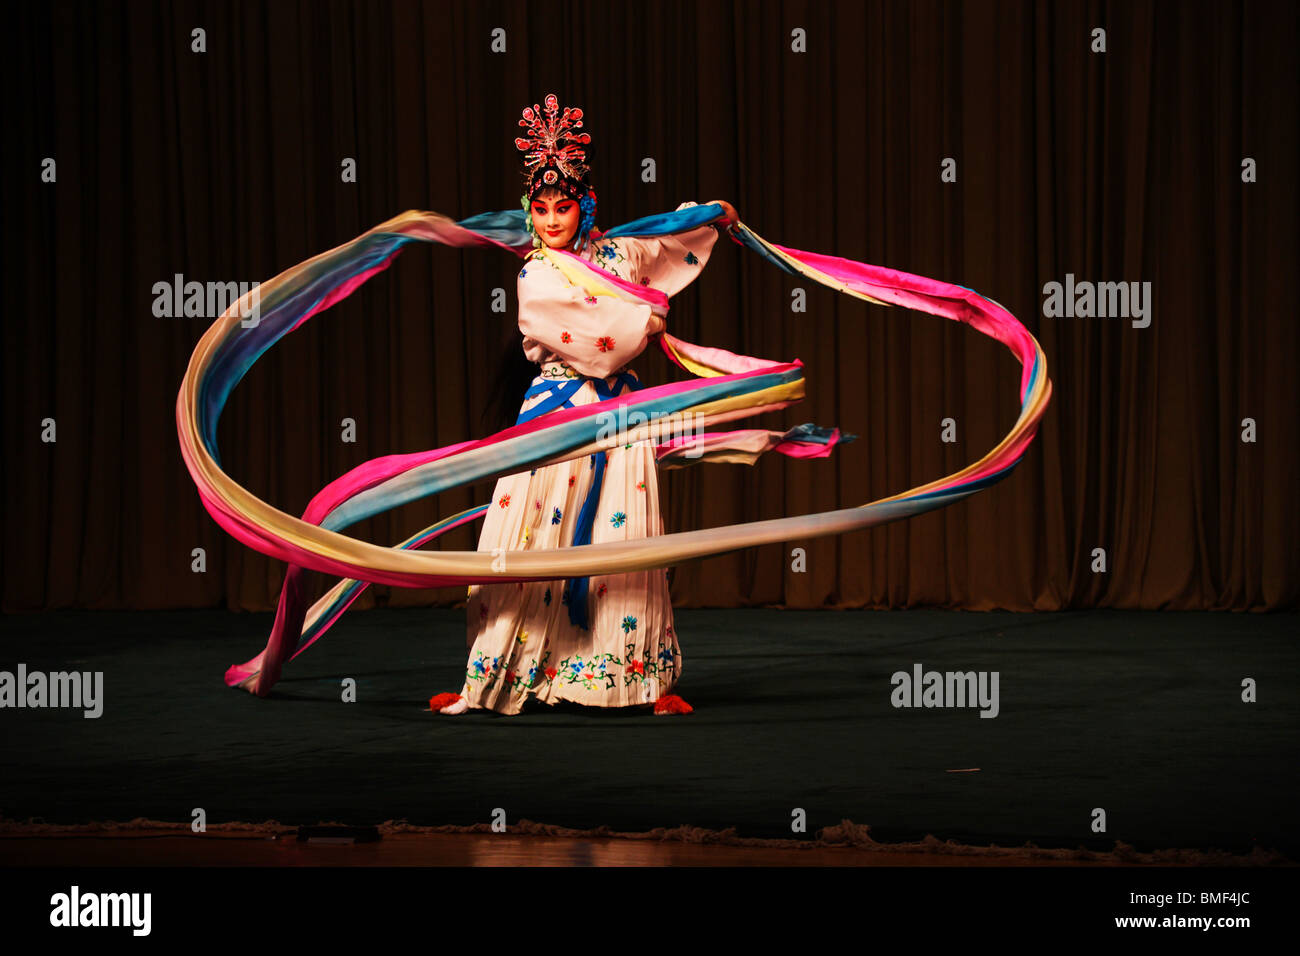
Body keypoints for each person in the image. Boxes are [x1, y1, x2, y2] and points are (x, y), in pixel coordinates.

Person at [430, 95, 737, 717]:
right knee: (533, 538)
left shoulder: (616, 254)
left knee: (620, 546)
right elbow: (601, 345)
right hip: (556, 416)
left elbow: (668, 242)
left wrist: (711, 215)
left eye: (562, 207)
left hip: (620, 421)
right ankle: (501, 677)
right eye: (539, 210)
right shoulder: (537, 276)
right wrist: (648, 316)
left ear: (584, 206)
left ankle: (638, 681)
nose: (549, 220)